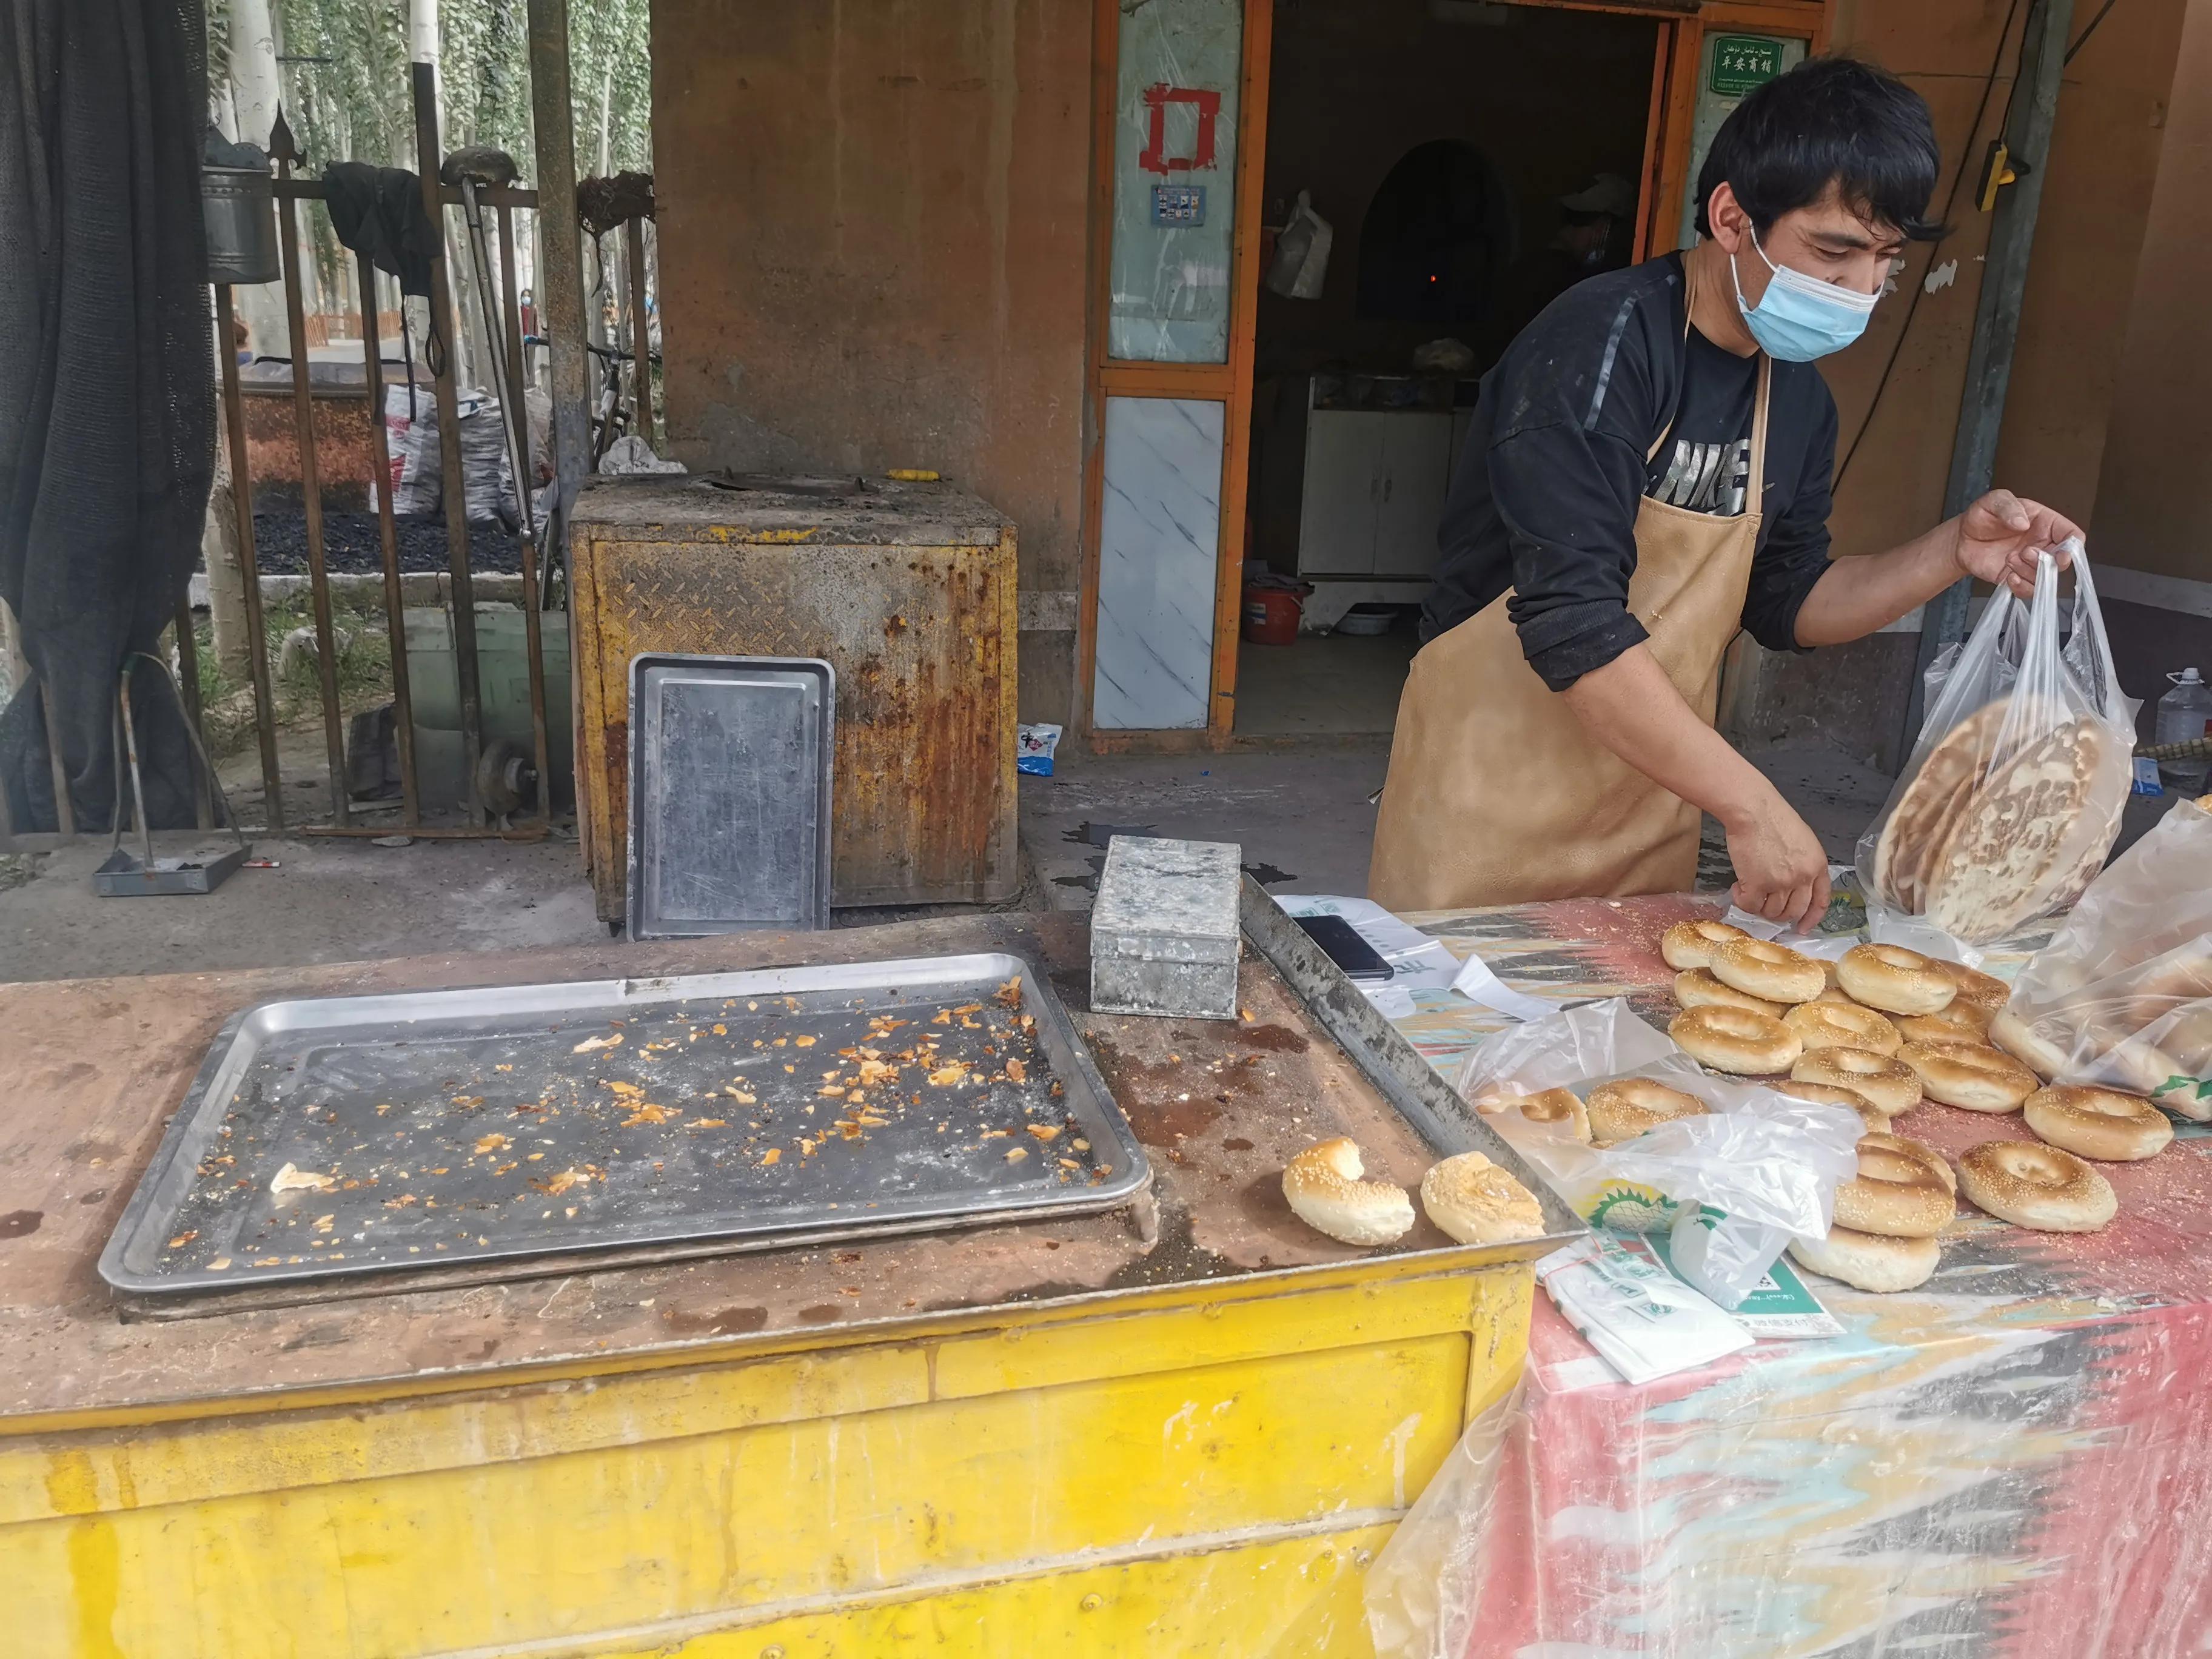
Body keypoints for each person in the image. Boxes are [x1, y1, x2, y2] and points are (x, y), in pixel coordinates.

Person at [1368, 56, 2079, 932]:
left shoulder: (1799, 398)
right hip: (1487, 797)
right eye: (1834, 252)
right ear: (1733, 218)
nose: (1860, 290)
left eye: (1884, 261)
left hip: (1651, 802)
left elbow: (1788, 602)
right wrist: (1751, 803)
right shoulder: (1601, 348)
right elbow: (1571, 622)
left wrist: (1952, 551)